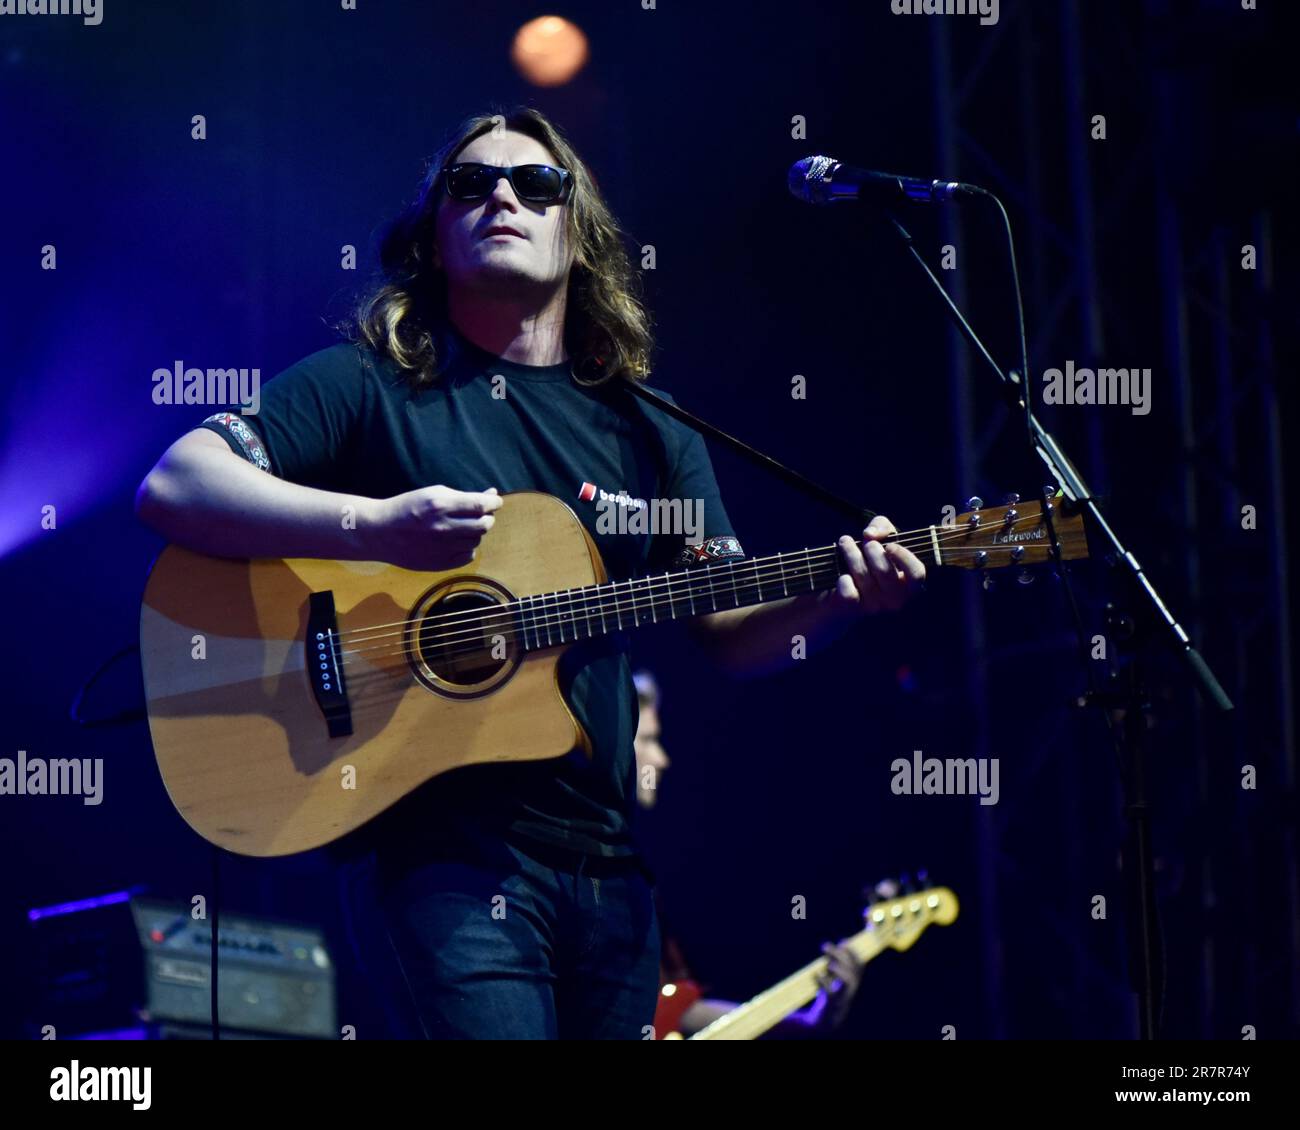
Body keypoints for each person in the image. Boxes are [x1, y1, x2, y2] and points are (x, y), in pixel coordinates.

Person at [135, 105, 926, 1040]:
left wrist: (834, 602)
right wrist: (376, 525)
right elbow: (176, 483)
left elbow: (731, 634)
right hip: (439, 858)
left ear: (576, 230)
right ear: (433, 237)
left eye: (535, 183)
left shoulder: (652, 430)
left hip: (610, 867)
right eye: (471, 184)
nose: (504, 194)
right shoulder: (369, 383)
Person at [633, 670, 865, 1038]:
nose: (662, 760)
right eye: (648, 741)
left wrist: (812, 1020)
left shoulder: (640, 879)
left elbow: (678, 1012)